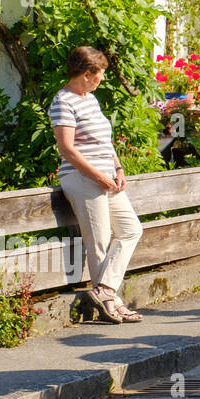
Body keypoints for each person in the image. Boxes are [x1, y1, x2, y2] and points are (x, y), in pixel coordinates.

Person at [50, 46, 145, 325]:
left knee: (130, 229)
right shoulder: (62, 101)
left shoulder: (89, 99)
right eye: (100, 73)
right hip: (82, 177)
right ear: (87, 73)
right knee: (100, 241)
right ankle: (110, 303)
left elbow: (105, 140)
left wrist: (117, 167)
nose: (103, 78)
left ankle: (104, 291)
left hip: (105, 175)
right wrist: (98, 176)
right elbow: (67, 149)